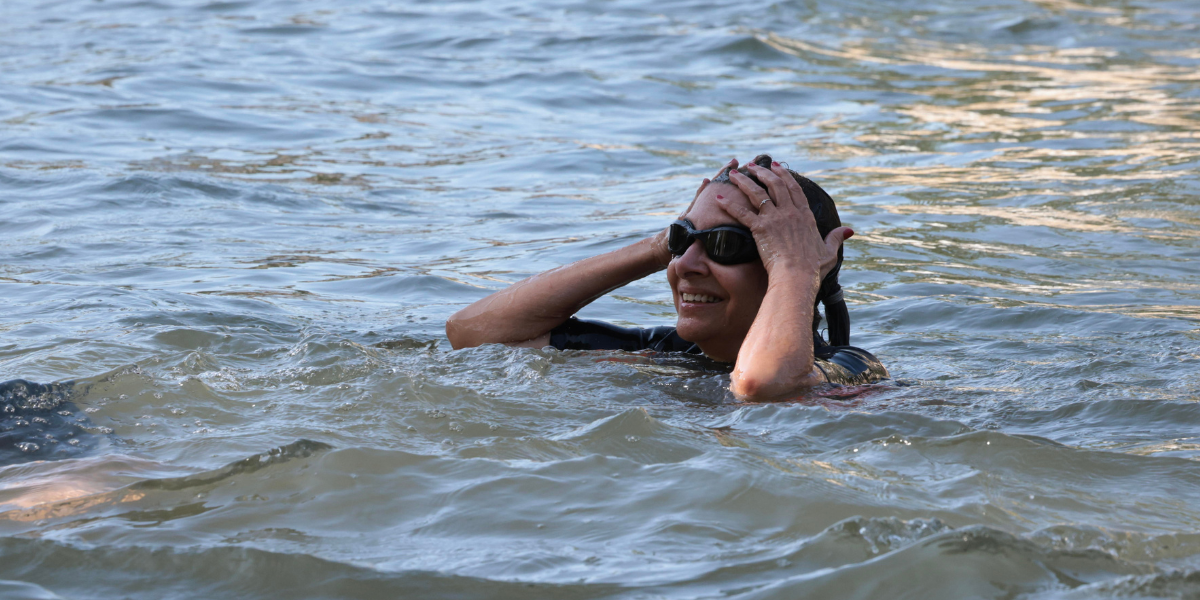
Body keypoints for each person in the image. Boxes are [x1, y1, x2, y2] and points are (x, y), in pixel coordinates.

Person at [446, 155, 888, 401]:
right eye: (684, 241)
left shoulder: (851, 369)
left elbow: (762, 385)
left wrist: (795, 268)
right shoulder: (666, 354)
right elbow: (474, 334)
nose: (687, 264)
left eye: (724, 246)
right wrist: (661, 245)